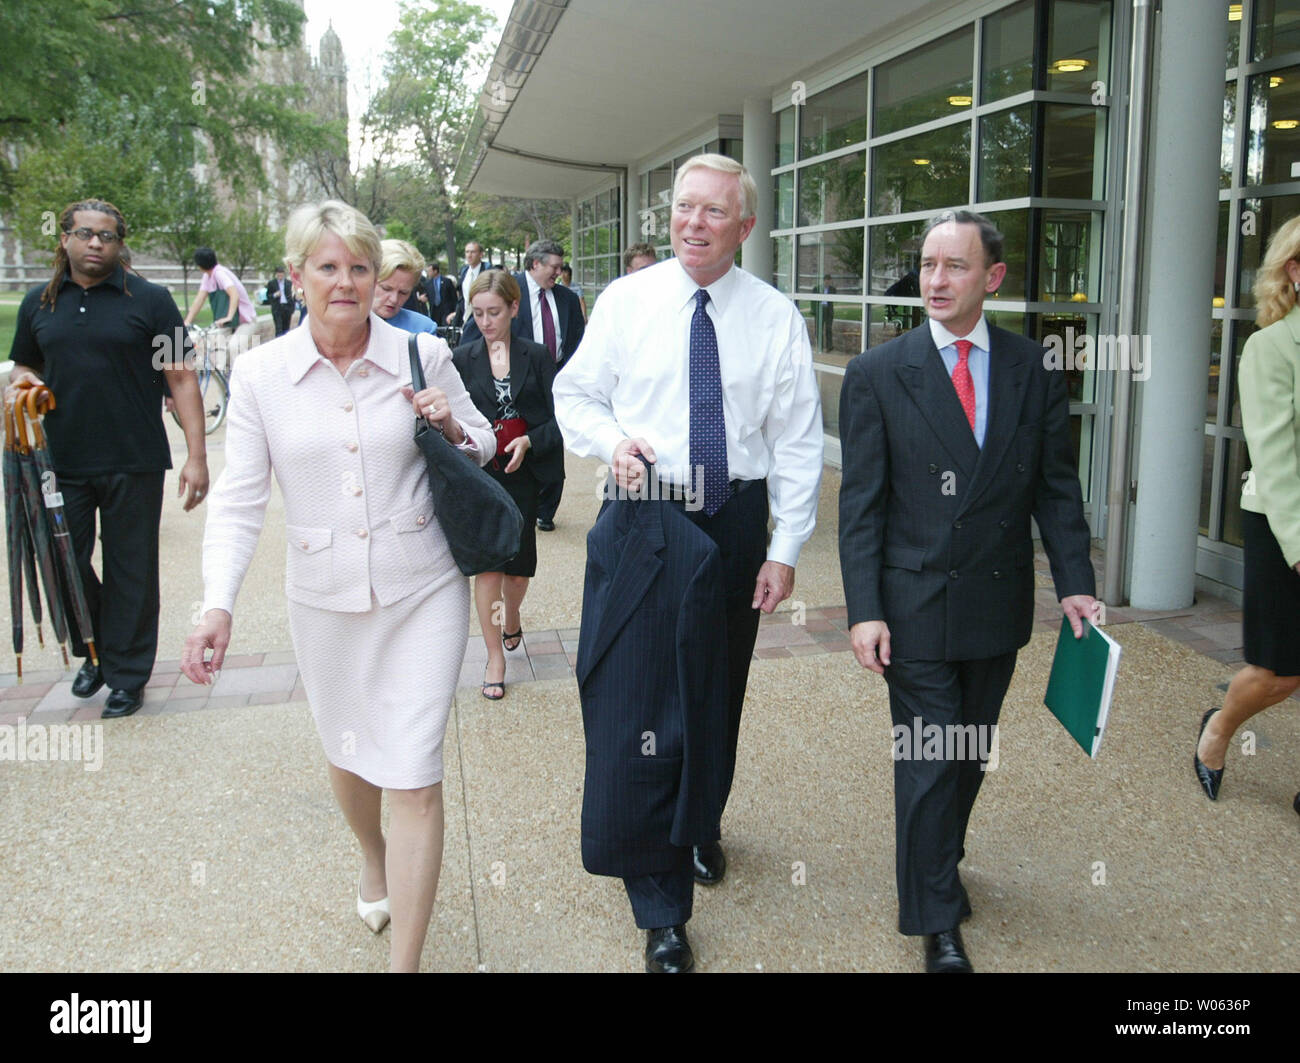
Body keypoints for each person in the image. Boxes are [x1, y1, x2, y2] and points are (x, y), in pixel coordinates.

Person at [180, 200, 495, 973]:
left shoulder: (421, 353)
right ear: (297, 276)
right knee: (351, 756)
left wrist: (452, 425)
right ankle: (371, 852)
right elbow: (241, 496)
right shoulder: (260, 375)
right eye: (328, 267)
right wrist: (216, 601)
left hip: (422, 587)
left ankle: (406, 966)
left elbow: (484, 444)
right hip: (322, 599)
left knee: (415, 769)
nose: (346, 282)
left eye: (360, 266)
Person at [554, 153, 823, 972]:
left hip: (733, 519)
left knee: (714, 690)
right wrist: (613, 442)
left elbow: (797, 441)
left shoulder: (775, 317)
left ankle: (699, 818)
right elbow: (575, 395)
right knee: (638, 697)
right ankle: (661, 903)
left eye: (714, 212)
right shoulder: (627, 302)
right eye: (684, 208)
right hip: (644, 512)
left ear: (745, 227)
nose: (694, 223)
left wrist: (784, 550)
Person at [838, 208, 1098, 973]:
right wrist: (864, 610)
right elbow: (861, 506)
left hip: (996, 600)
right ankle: (935, 917)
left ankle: (937, 862)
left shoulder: (1032, 368)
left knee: (969, 750)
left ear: (994, 276)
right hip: (913, 602)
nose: (936, 280)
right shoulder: (879, 374)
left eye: (953, 266)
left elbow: (1057, 488)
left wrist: (1077, 584)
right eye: (926, 265)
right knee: (928, 752)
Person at [6, 198, 210, 719]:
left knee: (130, 571)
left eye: (107, 236)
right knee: (59, 563)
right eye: (85, 234)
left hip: (133, 459)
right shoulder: (38, 303)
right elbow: (24, 366)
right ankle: (95, 647)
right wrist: (22, 383)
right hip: (60, 462)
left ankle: (125, 674)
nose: (96, 243)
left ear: (120, 244)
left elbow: (181, 376)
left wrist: (196, 456)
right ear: (65, 240)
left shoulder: (152, 300)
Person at [1194, 216, 1300, 810]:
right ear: (1295, 271)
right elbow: (1276, 455)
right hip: (1284, 521)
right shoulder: (1272, 347)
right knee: (1279, 673)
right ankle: (1217, 731)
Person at [451, 270, 563, 700]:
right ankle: (494, 655)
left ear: (514, 308)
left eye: (493, 312)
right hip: (482, 474)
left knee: (516, 574)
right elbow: (453, 419)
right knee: (489, 568)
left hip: (524, 474)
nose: (485, 321)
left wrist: (531, 440)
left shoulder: (537, 356)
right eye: (477, 313)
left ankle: (511, 616)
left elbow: (562, 417)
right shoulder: (462, 358)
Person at [462, 238, 584, 533]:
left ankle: (545, 510)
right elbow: (471, 344)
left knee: (548, 447)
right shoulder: (500, 290)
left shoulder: (566, 299)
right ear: (535, 264)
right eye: (553, 266)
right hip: (509, 381)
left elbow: (580, 343)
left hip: (551, 377)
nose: (558, 272)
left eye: (560, 266)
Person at [183, 247, 258, 371]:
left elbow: (234, 294)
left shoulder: (219, 273)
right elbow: (199, 300)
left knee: (235, 346)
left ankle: (240, 382)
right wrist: (187, 321)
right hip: (229, 323)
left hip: (246, 320)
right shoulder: (208, 277)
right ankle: (221, 380)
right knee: (215, 347)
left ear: (200, 265)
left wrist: (229, 316)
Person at [373, 239, 438, 336]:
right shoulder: (345, 323)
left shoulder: (423, 329)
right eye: (386, 288)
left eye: (403, 292)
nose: (394, 299)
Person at [454, 240, 493, 326]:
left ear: (481, 254)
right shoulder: (464, 272)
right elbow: (462, 297)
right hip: (465, 319)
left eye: (473, 252)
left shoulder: (488, 272)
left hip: (483, 320)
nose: (469, 255)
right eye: (467, 252)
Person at [426, 262, 459, 327]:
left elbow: (454, 297)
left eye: (429, 271)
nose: (428, 273)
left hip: (446, 310)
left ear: (435, 271)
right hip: (434, 311)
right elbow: (428, 295)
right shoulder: (428, 284)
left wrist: (455, 310)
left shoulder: (447, 281)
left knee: (445, 328)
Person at [266, 266, 295, 336]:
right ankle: (278, 344)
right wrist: (274, 295)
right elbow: (268, 296)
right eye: (278, 274)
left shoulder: (289, 283)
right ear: (276, 274)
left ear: (284, 274)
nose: (280, 276)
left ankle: (285, 345)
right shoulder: (272, 283)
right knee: (278, 328)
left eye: (281, 274)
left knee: (286, 328)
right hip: (277, 308)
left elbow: (293, 296)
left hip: (287, 307)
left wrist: (292, 308)